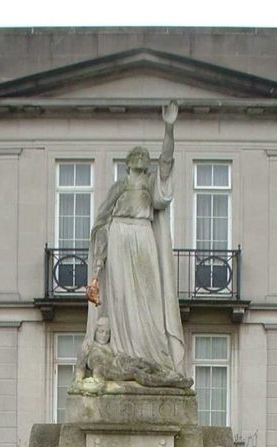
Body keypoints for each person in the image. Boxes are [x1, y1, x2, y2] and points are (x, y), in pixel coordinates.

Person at [84, 101, 184, 374]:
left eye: (143, 158)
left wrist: (169, 128)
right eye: (136, 158)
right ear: (128, 164)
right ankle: (124, 354)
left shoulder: (152, 183)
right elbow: (102, 220)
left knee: (151, 301)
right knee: (121, 300)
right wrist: (100, 255)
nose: (141, 160)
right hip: (119, 238)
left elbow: (166, 161)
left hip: (143, 236)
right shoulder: (119, 186)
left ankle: (156, 358)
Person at [75, 316, 192, 390]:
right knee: (137, 372)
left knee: (143, 361)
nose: (104, 335)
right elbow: (80, 368)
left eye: (107, 332)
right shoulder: (88, 346)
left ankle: (170, 373)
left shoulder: (111, 346)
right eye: (101, 331)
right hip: (108, 370)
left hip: (119, 363)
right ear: (95, 331)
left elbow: (117, 356)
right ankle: (171, 382)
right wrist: (79, 382)